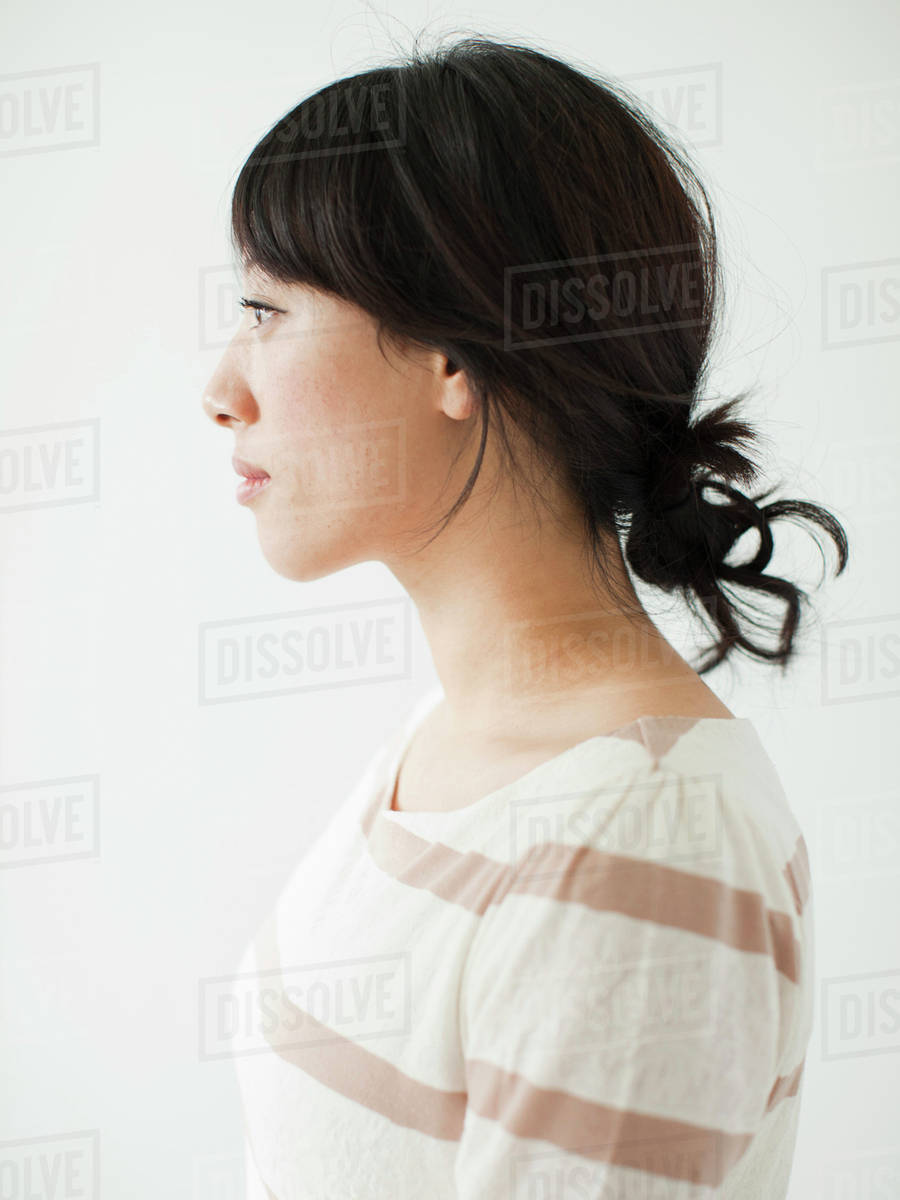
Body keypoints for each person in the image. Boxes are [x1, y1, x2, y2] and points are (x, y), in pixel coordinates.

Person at [202, 34, 848, 1199]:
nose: (220, 389)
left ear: (452, 354)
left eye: (265, 311)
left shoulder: (640, 835)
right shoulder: (463, 738)